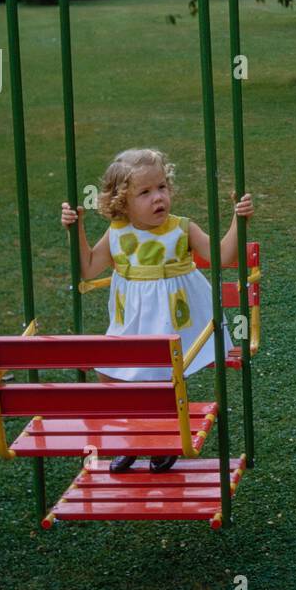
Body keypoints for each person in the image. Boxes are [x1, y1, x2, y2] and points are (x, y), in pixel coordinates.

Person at [62, 147, 254, 473]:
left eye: (162, 187)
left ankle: (162, 442)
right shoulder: (117, 232)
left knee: (161, 377)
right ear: (122, 201)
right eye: (145, 192)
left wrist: (239, 218)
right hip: (132, 323)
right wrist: (75, 229)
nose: (158, 198)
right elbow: (89, 267)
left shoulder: (181, 229)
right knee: (107, 372)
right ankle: (135, 437)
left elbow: (222, 256)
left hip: (176, 323)